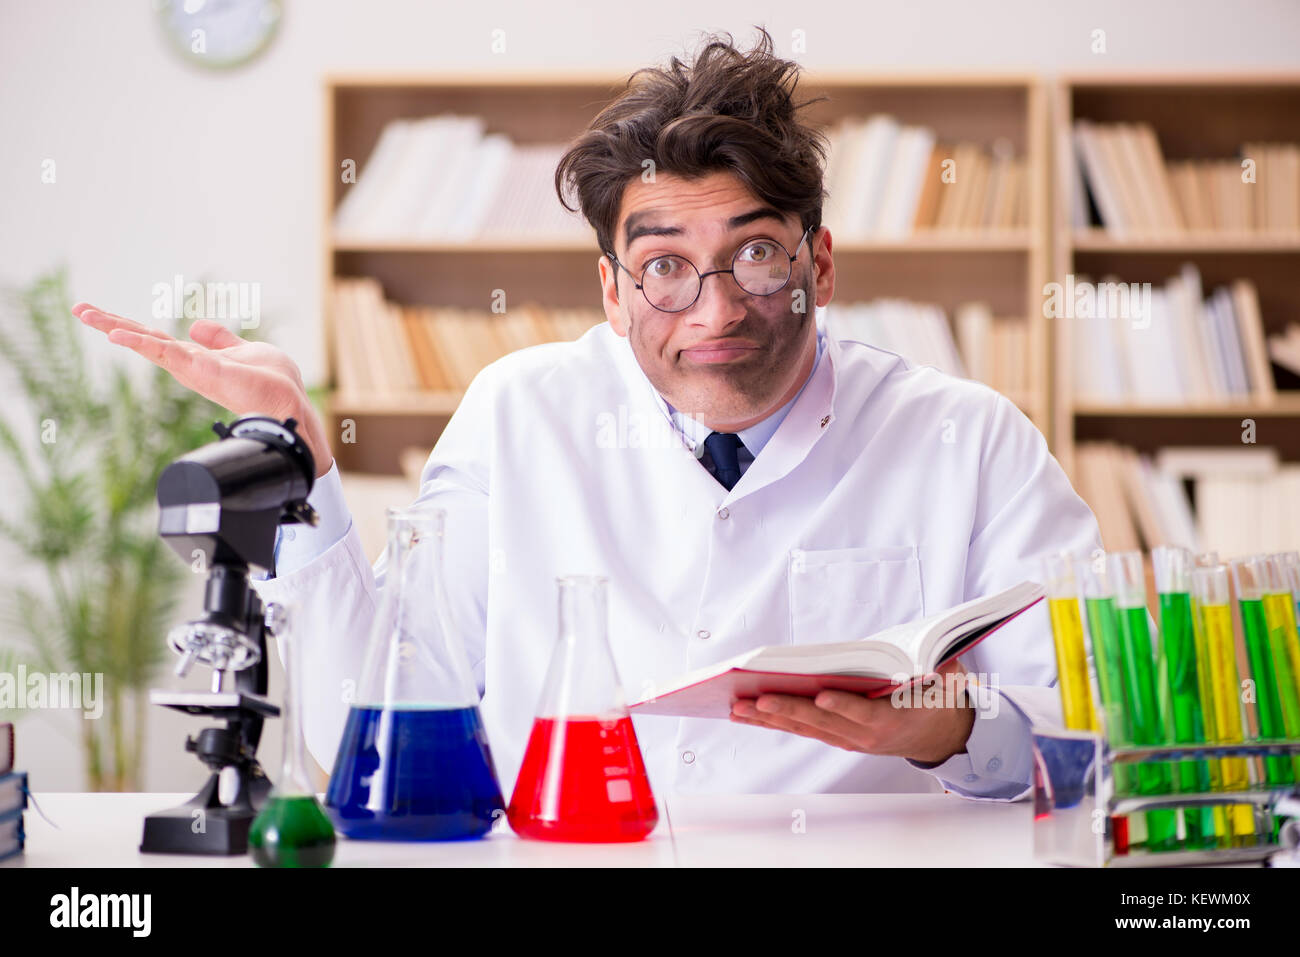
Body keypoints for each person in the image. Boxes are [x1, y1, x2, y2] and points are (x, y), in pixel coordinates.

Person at [75, 27, 1101, 802]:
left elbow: (1095, 751)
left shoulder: (972, 439)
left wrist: (948, 731)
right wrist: (305, 462)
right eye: (663, 267)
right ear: (611, 291)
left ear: (816, 265)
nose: (715, 307)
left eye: (754, 253)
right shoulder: (518, 414)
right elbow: (372, 727)